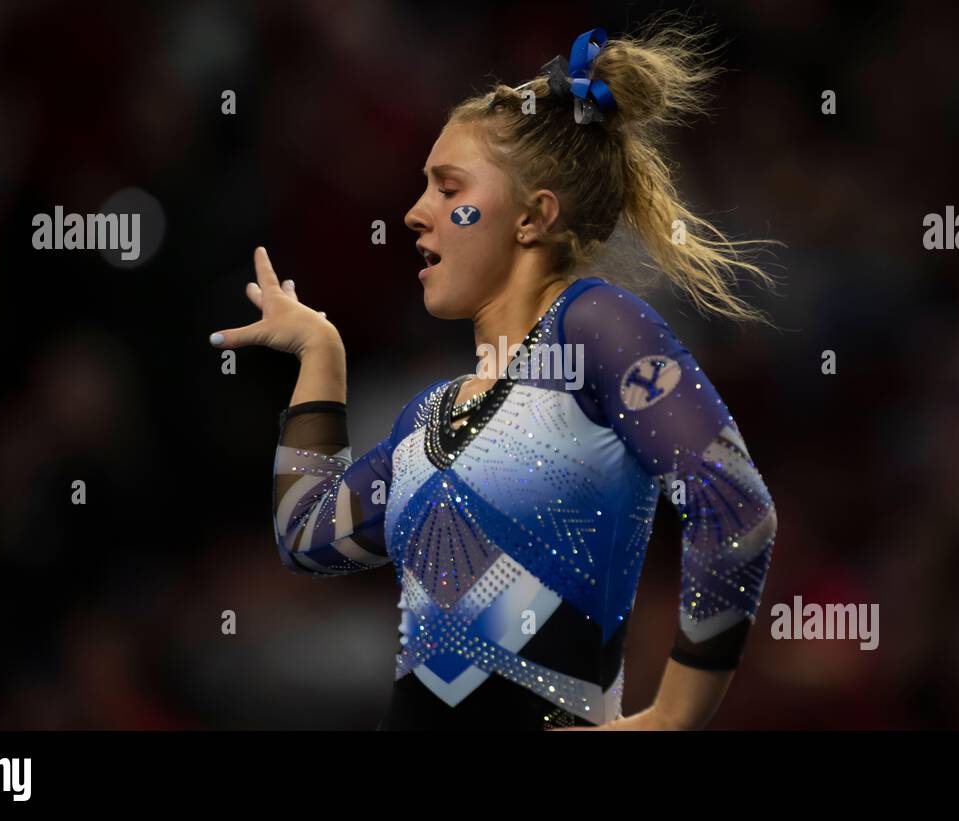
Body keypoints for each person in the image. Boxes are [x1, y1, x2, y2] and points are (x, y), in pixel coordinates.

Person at [209, 16, 781, 730]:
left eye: (448, 190)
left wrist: (672, 716)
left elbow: (732, 505)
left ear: (532, 218)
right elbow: (308, 536)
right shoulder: (430, 417)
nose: (416, 213)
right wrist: (321, 353)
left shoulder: (595, 327)